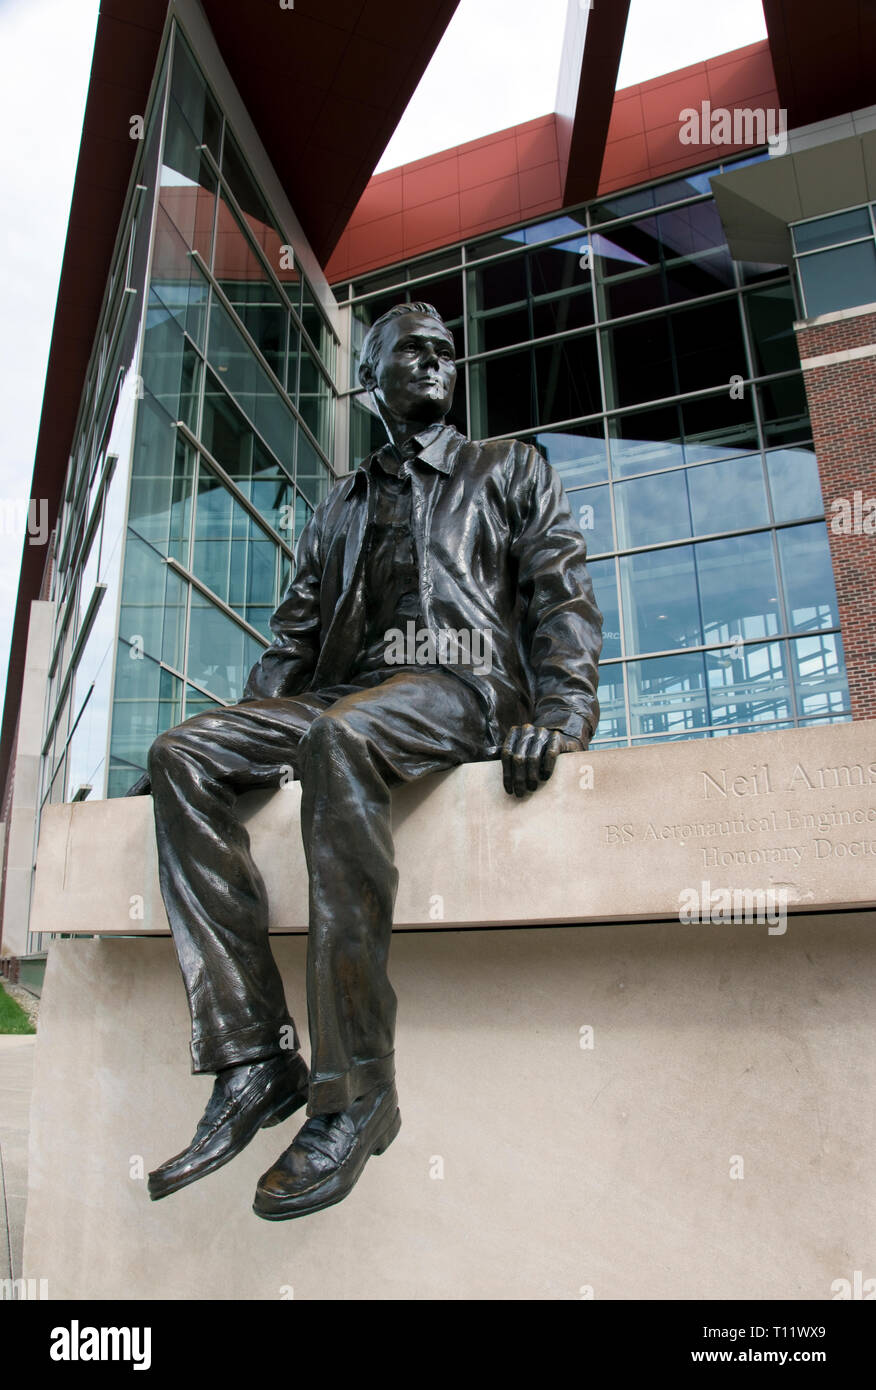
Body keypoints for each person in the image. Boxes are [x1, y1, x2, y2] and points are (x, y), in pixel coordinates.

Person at [136, 301, 603, 1220]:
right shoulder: (339, 506)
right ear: (372, 378)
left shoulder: (508, 467)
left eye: (445, 352)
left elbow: (561, 594)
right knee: (181, 754)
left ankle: (356, 1091)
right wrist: (241, 737)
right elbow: (293, 641)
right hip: (341, 694)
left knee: (335, 738)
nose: (433, 361)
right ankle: (255, 1058)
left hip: (459, 683)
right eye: (411, 352)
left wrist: (562, 710)